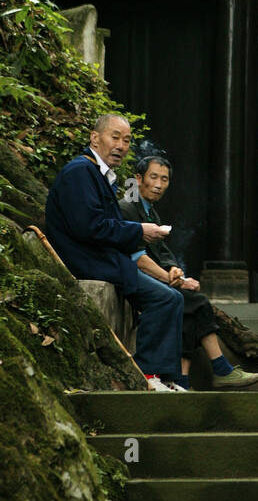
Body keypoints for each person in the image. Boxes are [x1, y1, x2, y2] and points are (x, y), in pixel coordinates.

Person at [45, 114, 184, 392]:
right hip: (86, 261)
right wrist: (139, 231)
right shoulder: (80, 173)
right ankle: (147, 376)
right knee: (165, 298)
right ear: (95, 138)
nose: (121, 145)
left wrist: (140, 234)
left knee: (174, 297)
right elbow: (89, 227)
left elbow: (107, 226)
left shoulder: (99, 175)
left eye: (127, 140)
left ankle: (163, 376)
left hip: (103, 259)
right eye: (115, 137)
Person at [123, 142, 258, 391]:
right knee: (195, 303)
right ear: (138, 178)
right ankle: (218, 369)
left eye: (164, 179)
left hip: (156, 278)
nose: (159, 184)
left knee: (190, 303)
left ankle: (184, 380)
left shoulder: (151, 213)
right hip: (132, 279)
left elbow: (163, 253)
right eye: (153, 177)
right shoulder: (127, 208)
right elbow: (138, 257)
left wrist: (176, 271)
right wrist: (171, 279)